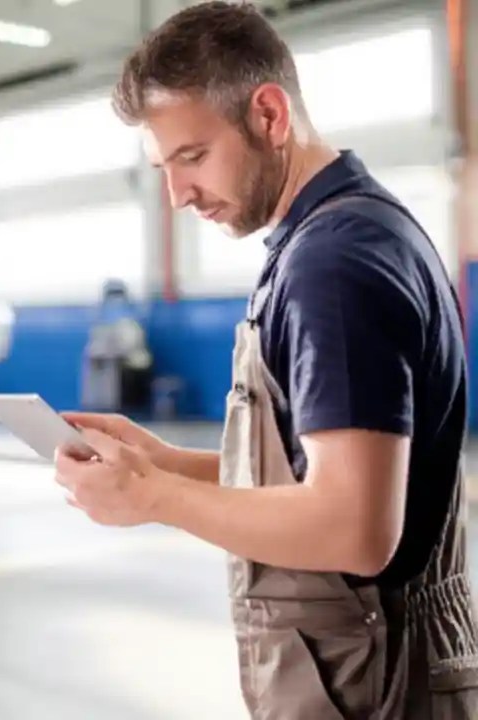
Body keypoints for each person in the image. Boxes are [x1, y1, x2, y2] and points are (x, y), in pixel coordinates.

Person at [53, 2, 478, 717]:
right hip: (374, 666)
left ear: (270, 116)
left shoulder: (335, 267)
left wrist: (152, 499)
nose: (179, 194)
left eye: (192, 157)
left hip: (375, 684)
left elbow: (354, 528)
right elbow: (320, 477)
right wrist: (160, 463)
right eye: (164, 167)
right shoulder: (342, 235)